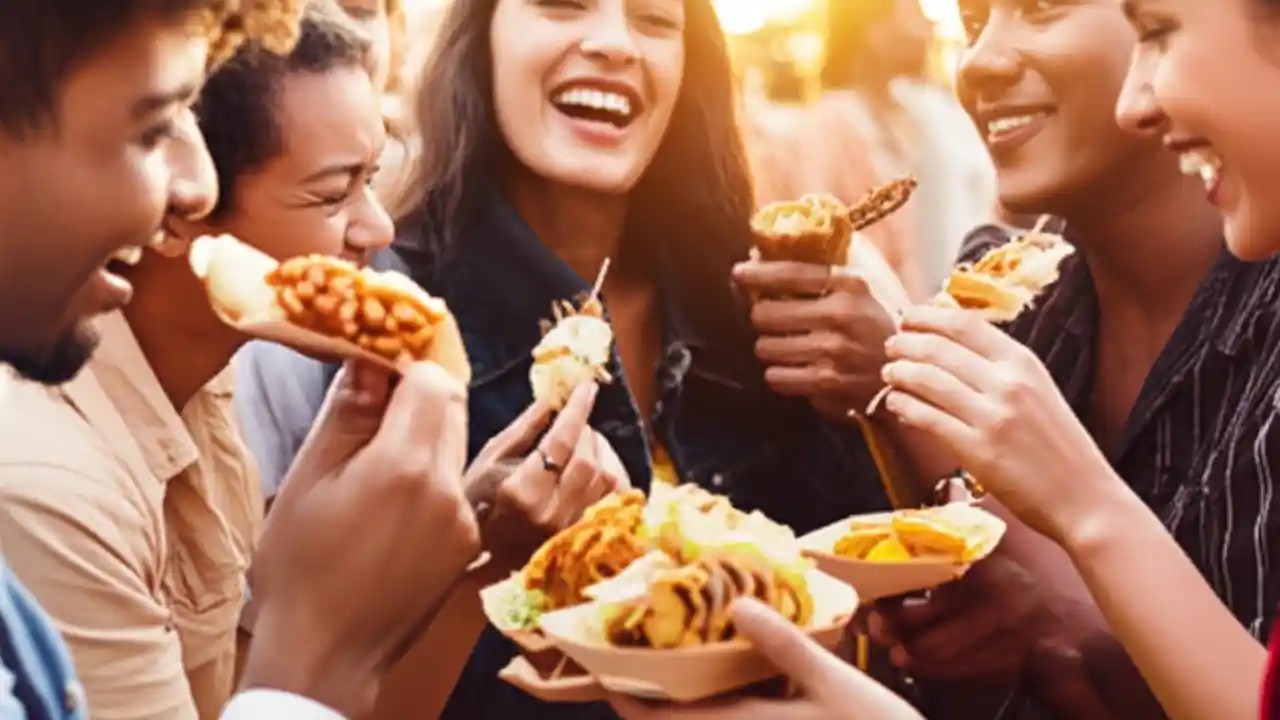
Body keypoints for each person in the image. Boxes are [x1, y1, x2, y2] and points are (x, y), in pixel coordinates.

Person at [237, 0, 893, 717]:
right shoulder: (374, 321)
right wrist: (474, 559)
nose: (614, 43)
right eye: (561, 4)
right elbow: (295, 685)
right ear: (481, 36)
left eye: (654, 21)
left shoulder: (767, 302)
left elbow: (873, 620)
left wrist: (881, 399)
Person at [724, 0, 1280, 718]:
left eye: (1041, 7)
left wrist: (902, 376)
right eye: (972, 21)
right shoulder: (994, 295)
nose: (978, 62)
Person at [0, 2, 479, 718]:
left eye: (372, 178)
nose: (376, 229)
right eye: (154, 128)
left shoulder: (203, 390)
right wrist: (319, 637)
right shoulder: (43, 483)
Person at [766, 0, 995, 299]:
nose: (929, 28)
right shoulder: (829, 124)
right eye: (915, 13)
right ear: (873, 31)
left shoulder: (915, 111)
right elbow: (813, 240)